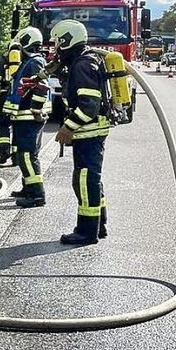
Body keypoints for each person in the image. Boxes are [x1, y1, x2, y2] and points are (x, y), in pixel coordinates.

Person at [49, 19, 112, 245]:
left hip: (89, 131)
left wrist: (68, 127)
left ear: (67, 41)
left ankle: (86, 232)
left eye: (57, 43)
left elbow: (88, 105)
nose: (55, 48)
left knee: (85, 181)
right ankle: (99, 225)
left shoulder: (83, 64)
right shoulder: (84, 61)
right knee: (91, 179)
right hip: (91, 131)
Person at [7, 27, 49, 208]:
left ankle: (36, 194)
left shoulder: (34, 63)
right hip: (24, 118)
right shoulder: (31, 62)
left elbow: (42, 87)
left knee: (27, 155)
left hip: (28, 119)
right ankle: (28, 188)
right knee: (26, 154)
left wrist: (35, 110)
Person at [0, 38, 22, 164]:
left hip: (4, 97)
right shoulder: (25, 60)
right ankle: (15, 156)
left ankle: (4, 151)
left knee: (2, 124)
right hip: (19, 97)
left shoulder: (2, 60)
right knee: (17, 126)